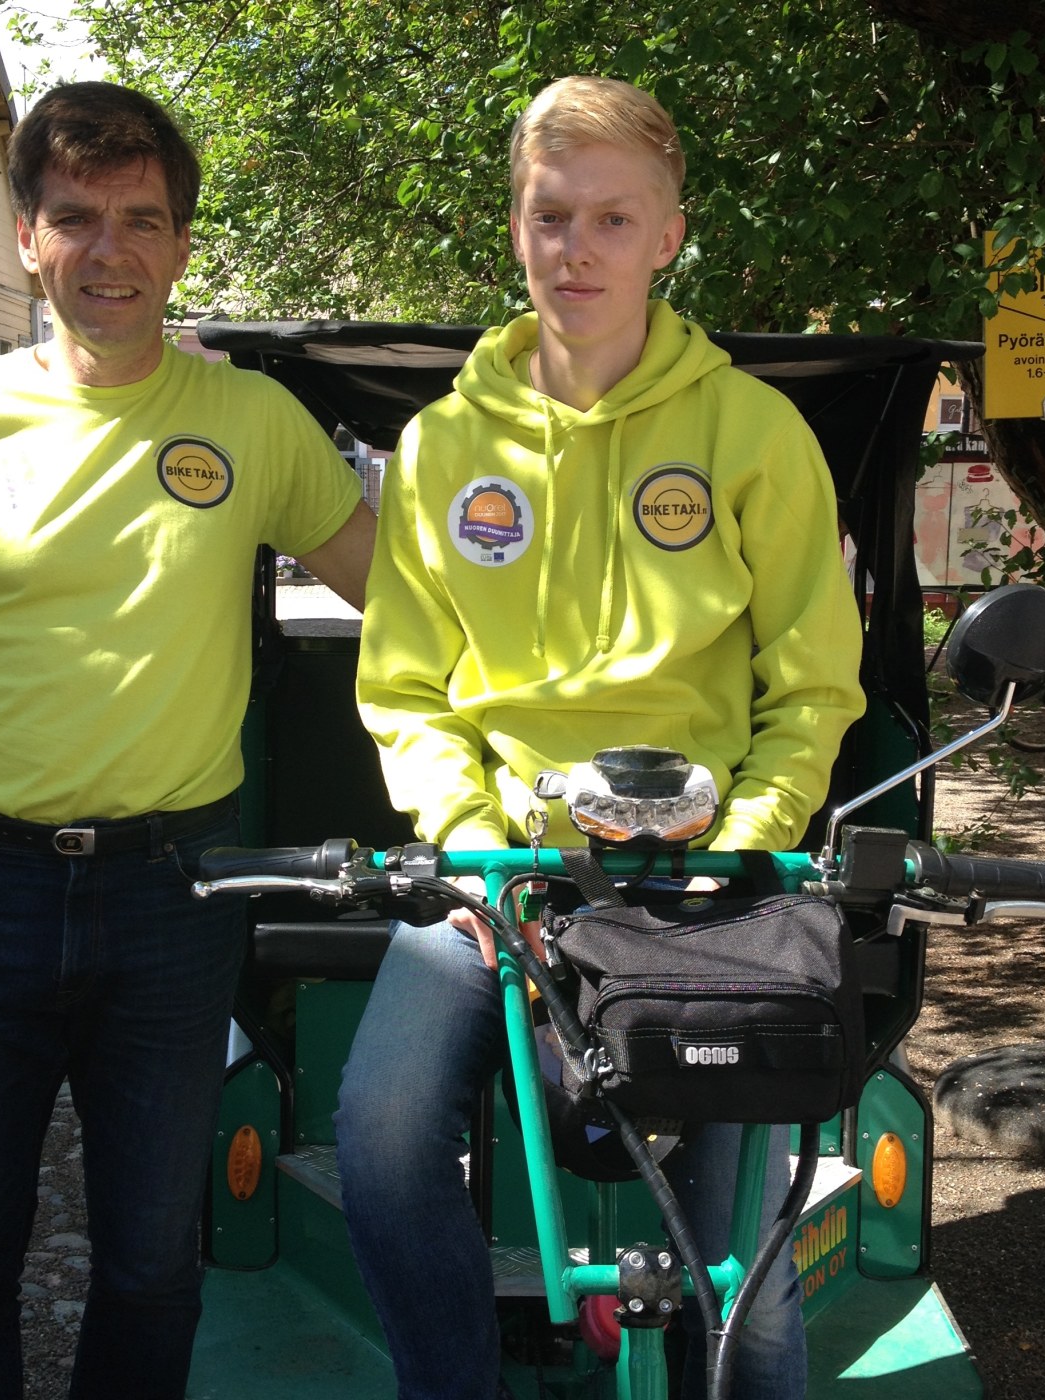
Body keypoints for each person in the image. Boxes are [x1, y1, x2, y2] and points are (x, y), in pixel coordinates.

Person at [0, 82, 373, 1400]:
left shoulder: (251, 423)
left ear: (180, 245)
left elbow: (414, 603)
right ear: (26, 236)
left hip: (173, 900)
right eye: (75, 218)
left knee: (152, 1265)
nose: (109, 251)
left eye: (142, 219)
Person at [340, 75, 866, 1399]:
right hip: (504, 874)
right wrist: (472, 851)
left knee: (742, 1268)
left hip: (708, 880)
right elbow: (405, 688)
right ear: (516, 227)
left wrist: (745, 848)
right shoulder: (442, 447)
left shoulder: (755, 434)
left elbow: (814, 687)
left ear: (669, 236)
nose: (577, 251)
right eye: (551, 217)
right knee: (382, 1135)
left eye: (613, 220)